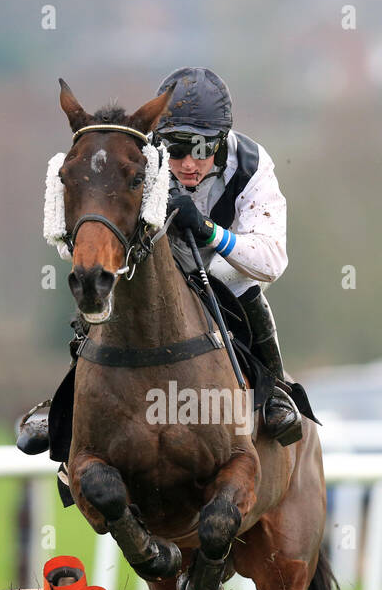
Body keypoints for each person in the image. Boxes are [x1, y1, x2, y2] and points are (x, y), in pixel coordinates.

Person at [16, 66, 302, 455]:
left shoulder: (252, 164)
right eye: (176, 149)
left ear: (222, 141)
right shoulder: (138, 158)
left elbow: (272, 260)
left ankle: (275, 389)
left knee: (238, 281)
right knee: (113, 283)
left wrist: (208, 231)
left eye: (201, 149)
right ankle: (67, 401)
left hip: (225, 265)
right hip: (158, 268)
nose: (187, 163)